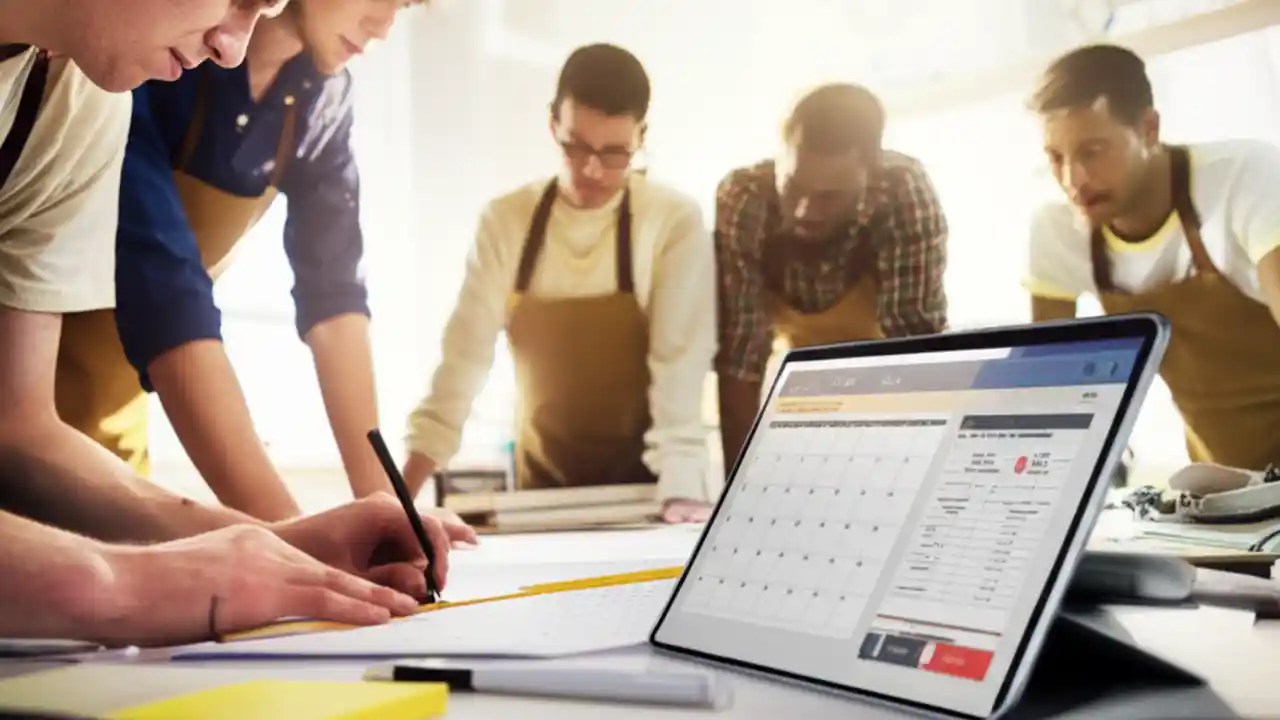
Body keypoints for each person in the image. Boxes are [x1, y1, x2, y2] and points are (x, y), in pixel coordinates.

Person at [0, 0, 469, 646]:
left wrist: (287, 540)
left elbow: (17, 426)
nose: (231, 49)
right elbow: (170, 305)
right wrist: (121, 583)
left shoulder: (79, 99)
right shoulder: (136, 75)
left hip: (84, 453)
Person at [54, 0, 425, 522]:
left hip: (114, 440)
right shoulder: (157, 59)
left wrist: (388, 510)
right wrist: (290, 533)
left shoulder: (320, 99)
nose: (384, 26)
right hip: (28, 416)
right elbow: (168, 298)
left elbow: (335, 302)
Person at [401, 44, 717, 524]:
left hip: (647, 500)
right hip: (536, 499)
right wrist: (397, 502)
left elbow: (680, 369)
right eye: (577, 147)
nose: (593, 170)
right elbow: (461, 364)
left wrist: (683, 498)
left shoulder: (672, 220)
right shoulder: (506, 220)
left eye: (615, 153)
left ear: (641, 137)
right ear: (552, 125)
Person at [1024, 44, 1280, 472]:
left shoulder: (1244, 175)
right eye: (1055, 157)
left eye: (1092, 151)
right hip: (1224, 485)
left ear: (1148, 129)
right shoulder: (1057, 229)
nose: (1073, 179)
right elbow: (1047, 391)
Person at [713, 83, 949, 472]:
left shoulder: (902, 192)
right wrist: (736, 486)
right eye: (793, 188)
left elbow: (916, 348)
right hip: (799, 396)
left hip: (886, 390)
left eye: (829, 197)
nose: (804, 211)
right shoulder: (745, 198)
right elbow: (742, 356)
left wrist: (914, 472)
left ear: (869, 175)